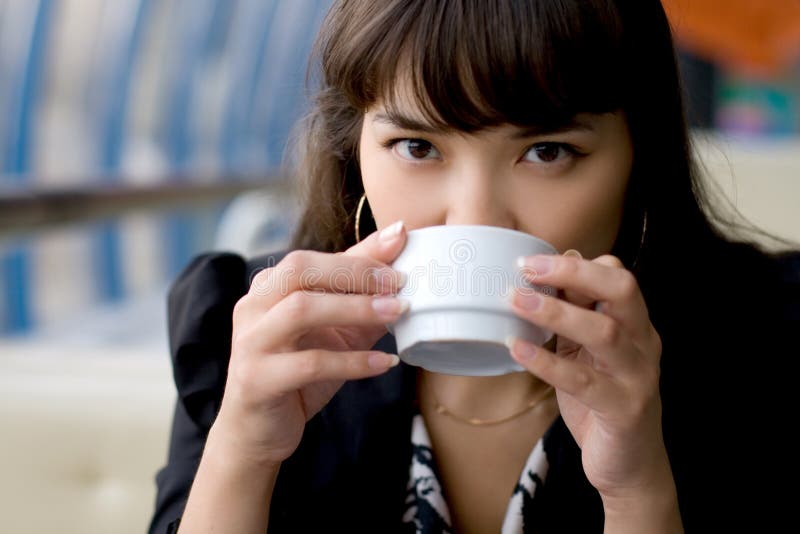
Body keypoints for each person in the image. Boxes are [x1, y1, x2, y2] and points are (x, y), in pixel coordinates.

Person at [149, 1, 800, 532]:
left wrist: (636, 491)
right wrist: (243, 451)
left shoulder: (769, 335)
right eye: (416, 146)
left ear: (639, 157)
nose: (475, 218)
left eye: (547, 152)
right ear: (356, 152)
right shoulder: (253, 328)